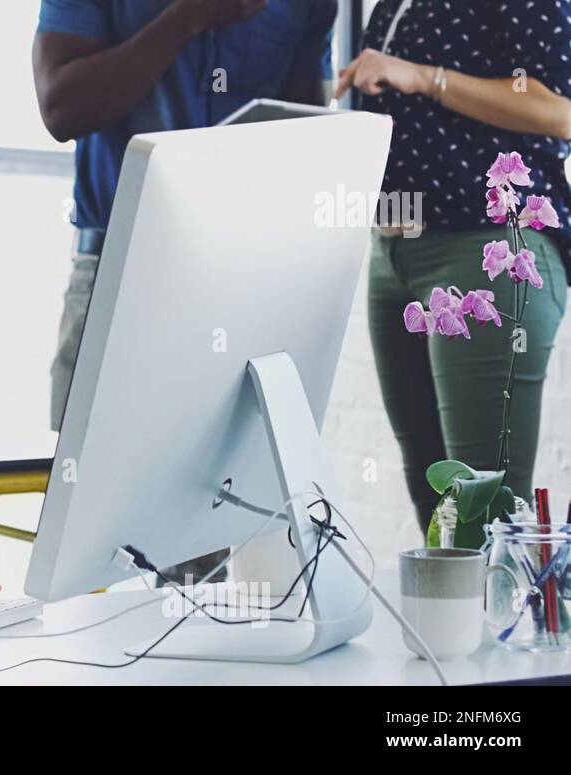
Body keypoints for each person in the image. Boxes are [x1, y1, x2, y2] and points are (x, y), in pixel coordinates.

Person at [33, 0, 338, 582]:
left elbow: (304, 130)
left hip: (238, 270)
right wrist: (186, 19)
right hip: (115, 264)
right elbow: (60, 106)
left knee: (202, 537)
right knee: (83, 519)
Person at [341, 0, 571, 538]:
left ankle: (501, 624)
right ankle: (456, 623)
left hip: (482, 252)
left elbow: (560, 109)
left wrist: (425, 77)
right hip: (395, 253)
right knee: (439, 516)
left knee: (479, 520)